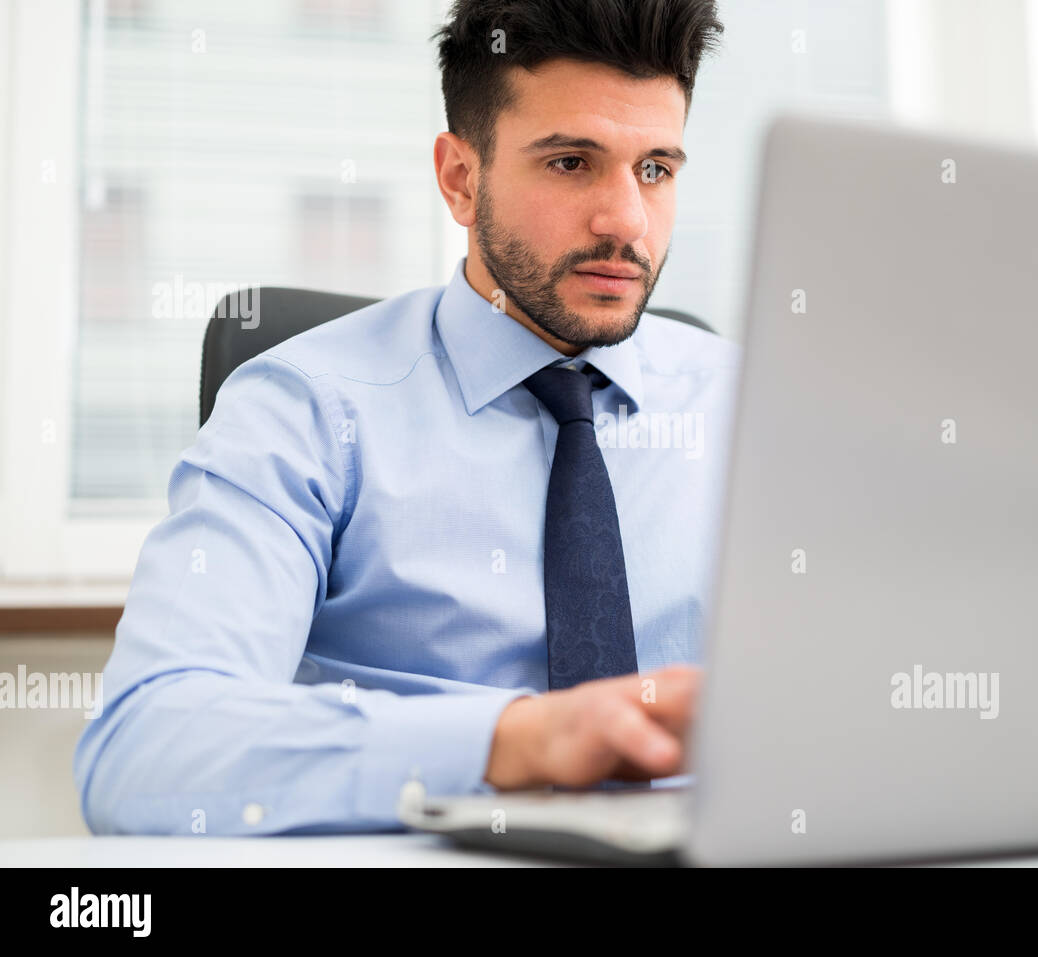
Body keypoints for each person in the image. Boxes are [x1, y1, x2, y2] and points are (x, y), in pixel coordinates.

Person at [74, 0, 735, 835]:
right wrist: (516, 739)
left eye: (655, 169)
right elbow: (143, 753)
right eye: (571, 162)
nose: (626, 221)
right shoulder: (302, 410)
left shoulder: (750, 409)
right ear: (461, 177)